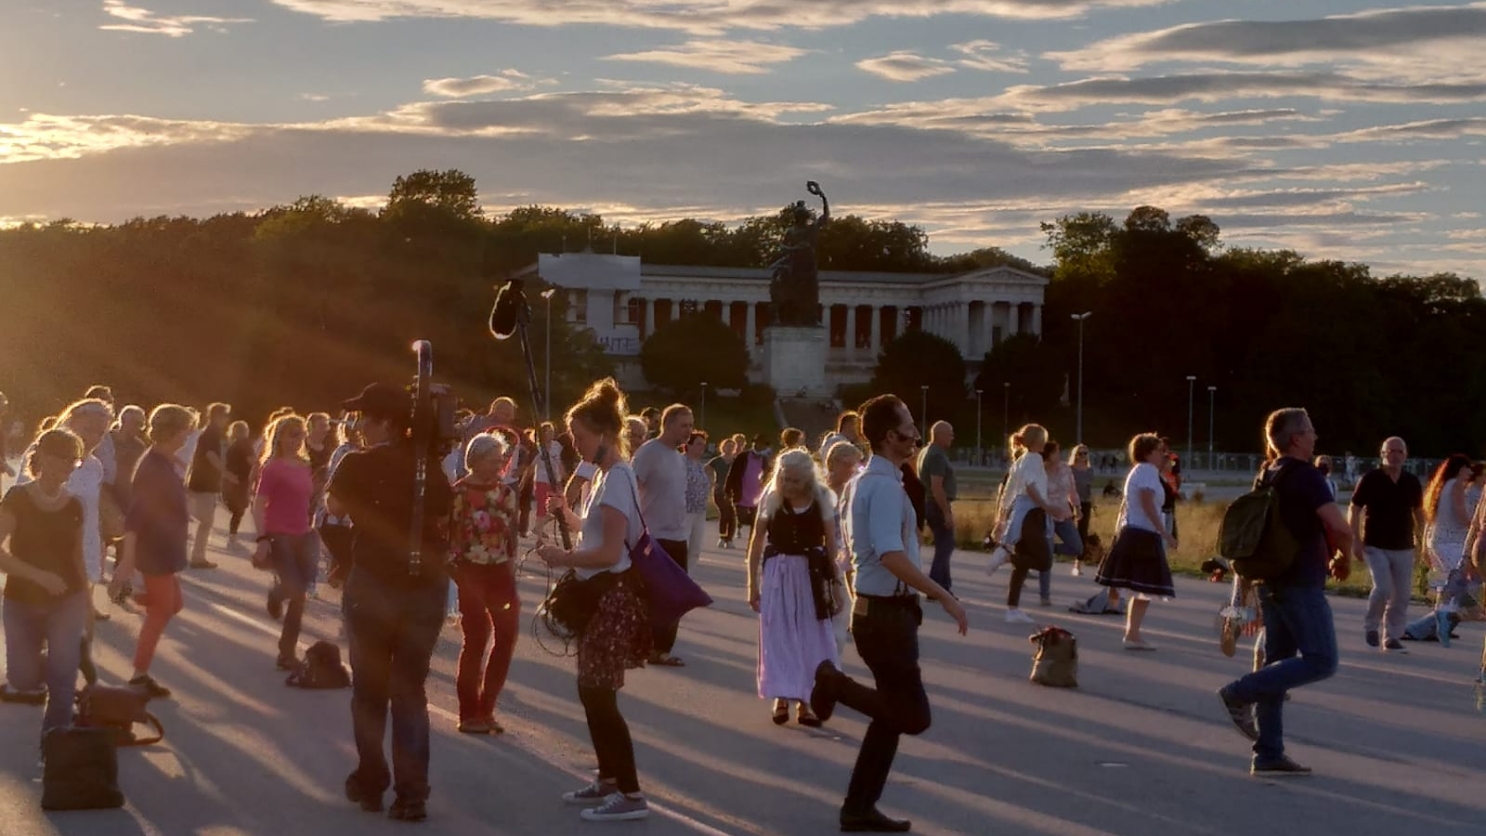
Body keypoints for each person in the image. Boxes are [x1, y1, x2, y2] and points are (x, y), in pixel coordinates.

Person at [810, 395, 967, 834]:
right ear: (888, 436)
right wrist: (943, 595)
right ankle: (831, 681)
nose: (915, 434)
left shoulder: (872, 481)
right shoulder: (879, 487)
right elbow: (890, 555)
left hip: (882, 612)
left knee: (890, 719)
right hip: (886, 617)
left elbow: (857, 554)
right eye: (908, 426)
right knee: (913, 715)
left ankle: (858, 808)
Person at [328, 383, 454, 822]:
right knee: (409, 690)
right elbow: (443, 511)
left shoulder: (357, 462)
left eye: (365, 417)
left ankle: (371, 779)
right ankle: (412, 793)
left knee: (369, 691)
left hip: (374, 583)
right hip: (424, 585)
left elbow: (334, 508)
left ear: (385, 421)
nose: (360, 424)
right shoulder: (428, 465)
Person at [537, 378, 653, 823]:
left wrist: (562, 556)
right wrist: (567, 515)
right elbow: (595, 531)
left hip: (611, 598)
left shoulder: (618, 477)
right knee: (591, 693)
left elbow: (609, 552)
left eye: (579, 436)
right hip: (600, 597)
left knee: (600, 695)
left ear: (604, 434)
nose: (574, 444)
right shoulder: (604, 475)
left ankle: (630, 792)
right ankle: (608, 779)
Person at [1217, 408, 1351, 776]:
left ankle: (1268, 752)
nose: (1315, 436)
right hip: (1300, 581)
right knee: (1322, 659)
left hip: (1271, 580)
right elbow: (1339, 525)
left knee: (1277, 664)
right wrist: (1344, 556)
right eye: (1309, 430)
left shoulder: (1268, 473)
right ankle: (1239, 691)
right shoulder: (1307, 476)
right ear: (1295, 438)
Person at [746, 448, 844, 727]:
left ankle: (806, 700)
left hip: (810, 574)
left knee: (810, 637)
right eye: (784, 479)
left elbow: (831, 546)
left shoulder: (821, 499)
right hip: (778, 574)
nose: (788, 485)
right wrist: (752, 584)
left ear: (808, 480)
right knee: (779, 635)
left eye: (795, 481)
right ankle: (781, 696)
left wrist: (836, 586)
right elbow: (756, 544)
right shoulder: (772, 499)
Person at [0, 429, 87, 734]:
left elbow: (77, 557)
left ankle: (56, 739)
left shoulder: (75, 505)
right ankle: (57, 663)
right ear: (44, 457)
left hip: (67, 600)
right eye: (65, 459)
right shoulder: (18, 498)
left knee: (63, 675)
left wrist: (88, 606)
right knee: (22, 679)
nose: (70, 466)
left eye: (74, 460)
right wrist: (39, 576)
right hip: (21, 599)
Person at [109, 404, 198, 698]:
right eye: (185, 430)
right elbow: (136, 517)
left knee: (173, 605)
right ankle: (139, 675)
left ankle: (136, 594)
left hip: (167, 548)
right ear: (172, 432)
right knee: (161, 610)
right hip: (156, 551)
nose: (187, 436)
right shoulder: (153, 468)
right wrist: (128, 560)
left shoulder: (162, 461)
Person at [448, 433, 519, 734]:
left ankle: (487, 707)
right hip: (470, 571)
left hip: (500, 570)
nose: (498, 466)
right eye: (492, 460)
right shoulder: (459, 492)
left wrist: (511, 564)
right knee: (477, 638)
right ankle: (469, 713)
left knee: (506, 637)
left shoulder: (506, 493)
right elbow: (448, 530)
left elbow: (511, 531)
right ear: (475, 460)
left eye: (500, 460)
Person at [1095, 434, 1178, 650]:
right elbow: (1147, 502)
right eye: (1159, 451)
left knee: (1142, 589)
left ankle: (1132, 632)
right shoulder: (1147, 471)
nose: (1163, 455)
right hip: (1142, 534)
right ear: (1148, 453)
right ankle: (1131, 633)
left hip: (1137, 531)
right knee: (1145, 587)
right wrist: (1165, 533)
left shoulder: (1142, 471)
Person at [252, 414, 320, 670]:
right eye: (292, 435)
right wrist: (262, 539)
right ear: (279, 437)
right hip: (279, 535)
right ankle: (277, 594)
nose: (297, 440)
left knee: (300, 594)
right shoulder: (272, 467)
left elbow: (305, 500)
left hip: (303, 534)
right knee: (294, 588)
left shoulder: (305, 464)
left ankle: (286, 652)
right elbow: (258, 505)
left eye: (301, 435)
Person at [631, 404, 694, 667]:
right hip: (654, 535)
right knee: (652, 595)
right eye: (684, 425)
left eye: (691, 425)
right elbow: (633, 489)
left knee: (676, 595)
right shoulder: (649, 452)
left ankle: (662, 649)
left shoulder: (679, 457)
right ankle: (646, 647)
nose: (689, 431)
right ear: (667, 425)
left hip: (678, 536)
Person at [1349, 437, 1424, 652]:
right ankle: (1371, 626)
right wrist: (1355, 540)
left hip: (1404, 546)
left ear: (1406, 455)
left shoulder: (1411, 481)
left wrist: (1422, 541)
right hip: (1375, 545)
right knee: (1383, 588)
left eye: (1399, 451)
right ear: (1382, 454)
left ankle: (1391, 636)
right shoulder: (1371, 479)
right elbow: (1354, 508)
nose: (1395, 455)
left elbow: (1419, 513)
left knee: (1401, 595)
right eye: (1391, 451)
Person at [987, 425, 1059, 623]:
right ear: (1036, 441)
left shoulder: (1021, 460)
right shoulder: (1033, 459)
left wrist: (1001, 519)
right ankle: (1008, 557)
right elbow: (1030, 486)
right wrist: (1047, 506)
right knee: (1044, 561)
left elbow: (1009, 491)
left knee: (1022, 567)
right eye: (1043, 439)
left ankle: (1012, 609)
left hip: (1021, 514)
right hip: (1031, 515)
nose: (1045, 443)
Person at [1419, 454, 1473, 646]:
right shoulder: (1456, 485)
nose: (1470, 472)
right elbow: (1461, 513)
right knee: (1456, 585)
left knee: (1445, 585)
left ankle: (1433, 627)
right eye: (1467, 468)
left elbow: (1430, 518)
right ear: (1460, 469)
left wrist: (1424, 546)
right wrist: (1476, 528)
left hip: (1436, 541)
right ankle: (1438, 624)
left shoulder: (1440, 487)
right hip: (1451, 542)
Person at [186, 403, 231, 570]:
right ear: (218, 416)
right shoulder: (211, 433)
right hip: (204, 483)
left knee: (200, 519)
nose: (227, 419)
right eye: (225, 416)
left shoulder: (209, 432)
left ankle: (195, 555)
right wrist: (225, 473)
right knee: (205, 521)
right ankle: (197, 557)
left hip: (202, 481)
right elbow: (211, 455)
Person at [917, 421, 958, 596]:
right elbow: (936, 486)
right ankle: (936, 587)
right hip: (936, 504)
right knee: (945, 546)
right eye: (949, 434)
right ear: (939, 435)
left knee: (945, 546)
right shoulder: (936, 456)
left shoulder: (928, 451)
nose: (952, 437)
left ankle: (944, 586)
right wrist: (946, 512)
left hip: (930, 503)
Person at [1043, 441, 1083, 605]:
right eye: (1056, 452)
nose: (1059, 455)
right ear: (1048, 455)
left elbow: (1072, 490)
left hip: (1064, 514)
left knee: (1077, 547)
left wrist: (1077, 507)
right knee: (1046, 559)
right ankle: (1045, 595)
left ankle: (1047, 549)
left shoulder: (1065, 469)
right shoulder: (1039, 471)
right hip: (1045, 515)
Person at [725, 434, 771, 532]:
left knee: (755, 524)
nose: (760, 446)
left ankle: (752, 541)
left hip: (757, 495)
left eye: (763, 444)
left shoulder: (764, 459)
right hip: (741, 494)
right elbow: (733, 473)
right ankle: (754, 523)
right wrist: (727, 490)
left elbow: (768, 476)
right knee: (742, 518)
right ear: (754, 443)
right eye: (758, 443)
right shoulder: (743, 456)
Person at [223, 421, 254, 547]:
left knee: (236, 507)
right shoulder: (246, 444)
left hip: (230, 479)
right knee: (239, 509)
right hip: (242, 480)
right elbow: (251, 461)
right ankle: (232, 536)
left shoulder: (232, 445)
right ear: (245, 431)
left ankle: (232, 535)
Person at [682, 431, 711, 566]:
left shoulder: (700, 466)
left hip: (699, 511)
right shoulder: (681, 462)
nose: (702, 447)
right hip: (684, 510)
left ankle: (689, 575)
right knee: (683, 546)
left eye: (704, 445)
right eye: (698, 444)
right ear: (688, 445)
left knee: (695, 548)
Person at [708, 438, 738, 549]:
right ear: (723, 447)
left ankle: (729, 539)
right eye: (727, 446)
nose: (729, 448)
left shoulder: (736, 461)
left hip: (733, 492)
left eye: (732, 446)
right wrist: (712, 482)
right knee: (724, 513)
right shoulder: (717, 461)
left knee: (732, 515)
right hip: (720, 491)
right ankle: (722, 537)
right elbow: (705, 470)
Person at [1070, 444, 1094, 577]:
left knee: (1082, 532)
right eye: (1080, 453)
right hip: (1070, 502)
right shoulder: (1070, 469)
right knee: (1067, 529)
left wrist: (1093, 503)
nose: (1083, 456)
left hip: (1085, 502)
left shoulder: (1089, 470)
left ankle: (1077, 564)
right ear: (1075, 455)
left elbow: (1089, 488)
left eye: (1085, 453)